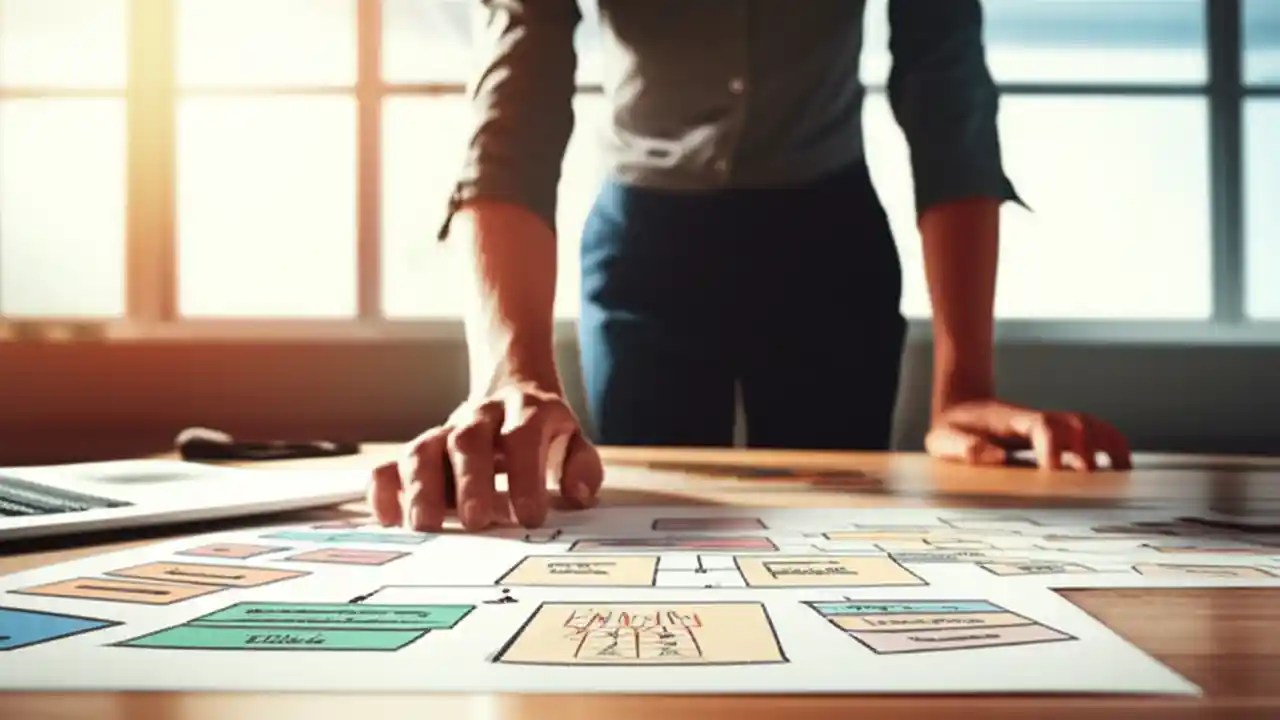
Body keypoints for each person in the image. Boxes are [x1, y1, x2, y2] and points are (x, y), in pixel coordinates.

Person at [367, 0, 1133, 533]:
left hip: (829, 241)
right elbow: (516, 101)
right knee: (644, 520)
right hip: (645, 246)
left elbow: (947, 85)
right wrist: (511, 373)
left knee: (847, 534)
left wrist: (966, 390)